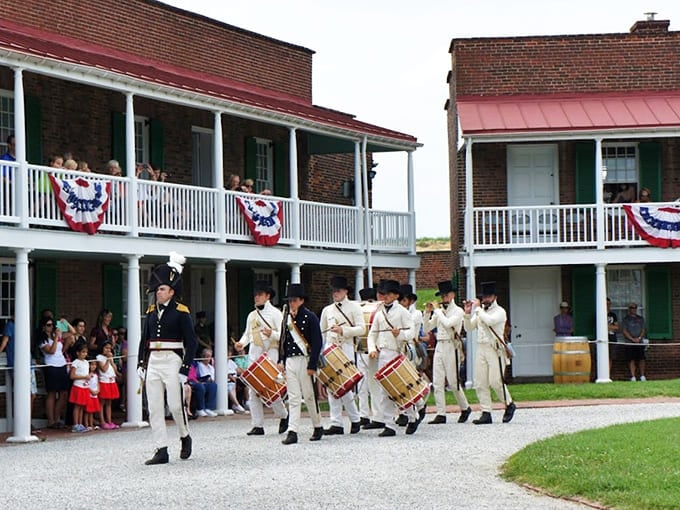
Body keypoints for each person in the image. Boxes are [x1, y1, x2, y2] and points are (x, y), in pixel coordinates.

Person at [137, 252, 198, 465]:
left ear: (171, 292)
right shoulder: (151, 312)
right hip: (154, 360)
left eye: (161, 289)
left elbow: (192, 343)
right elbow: (144, 340)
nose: (157, 293)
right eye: (157, 290)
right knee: (154, 406)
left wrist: (185, 369)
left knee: (174, 405)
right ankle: (161, 448)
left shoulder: (182, 312)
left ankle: (184, 435)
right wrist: (141, 364)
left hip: (173, 360)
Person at [367, 279, 420, 436]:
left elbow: (411, 332)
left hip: (397, 353)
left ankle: (412, 417)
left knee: (402, 388)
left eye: (389, 294)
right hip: (383, 353)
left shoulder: (402, 312)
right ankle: (389, 424)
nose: (386, 297)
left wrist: (401, 334)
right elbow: (372, 334)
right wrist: (372, 348)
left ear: (396, 296)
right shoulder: (379, 312)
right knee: (385, 390)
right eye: (384, 294)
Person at [236, 280, 288, 436]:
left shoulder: (276, 314)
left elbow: (284, 336)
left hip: (270, 355)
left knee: (270, 388)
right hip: (254, 354)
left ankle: (284, 415)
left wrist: (271, 334)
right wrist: (241, 343)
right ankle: (257, 425)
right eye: (255, 295)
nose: (256, 297)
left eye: (260, 295)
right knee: (253, 390)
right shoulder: (252, 315)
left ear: (267, 296)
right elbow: (247, 334)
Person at [464, 281, 516, 425]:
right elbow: (469, 327)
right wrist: (467, 314)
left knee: (495, 381)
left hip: (495, 349)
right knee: (480, 382)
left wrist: (478, 309)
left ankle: (509, 403)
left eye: (488, 297)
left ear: (494, 297)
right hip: (481, 348)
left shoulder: (499, 312)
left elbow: (490, 321)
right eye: (484, 297)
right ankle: (486, 412)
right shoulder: (481, 311)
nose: (486, 300)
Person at [278, 283, 323, 445]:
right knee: (294, 397)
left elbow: (317, 343)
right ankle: (293, 431)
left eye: (294, 300)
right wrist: (281, 360)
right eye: (290, 301)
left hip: (305, 360)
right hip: (290, 360)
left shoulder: (310, 317)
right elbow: (283, 340)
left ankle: (317, 425)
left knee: (310, 396)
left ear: (302, 300)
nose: (292, 303)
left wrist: (312, 365)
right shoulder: (287, 318)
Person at [319, 275, 364, 435]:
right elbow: (322, 333)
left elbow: (361, 329)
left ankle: (355, 418)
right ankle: (336, 422)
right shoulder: (327, 310)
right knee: (332, 386)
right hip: (331, 348)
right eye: (334, 291)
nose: (335, 293)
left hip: (346, 348)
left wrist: (343, 330)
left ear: (345, 291)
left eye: (338, 291)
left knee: (346, 386)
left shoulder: (354, 307)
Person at [424, 280, 472, 425]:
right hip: (440, 345)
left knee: (453, 382)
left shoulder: (458, 311)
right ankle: (441, 413)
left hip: (452, 346)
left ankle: (465, 407)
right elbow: (427, 328)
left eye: (446, 296)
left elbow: (448, 324)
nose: (443, 299)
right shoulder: (440, 312)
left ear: (451, 295)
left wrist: (438, 311)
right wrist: (427, 313)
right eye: (442, 296)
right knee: (437, 381)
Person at [356, 287, 382, 428]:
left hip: (374, 351)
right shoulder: (358, 309)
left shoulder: (380, 310)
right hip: (361, 349)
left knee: (374, 385)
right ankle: (363, 414)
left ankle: (379, 416)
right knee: (361, 385)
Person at [39, 316, 70, 429]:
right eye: (48, 325)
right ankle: (51, 421)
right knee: (52, 393)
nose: (51, 327)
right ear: (43, 327)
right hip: (51, 366)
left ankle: (57, 418)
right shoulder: (43, 340)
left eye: (52, 324)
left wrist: (65, 322)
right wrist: (56, 337)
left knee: (64, 393)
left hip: (61, 364)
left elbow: (73, 333)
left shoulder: (55, 335)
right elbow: (51, 351)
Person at [68, 341, 91, 433]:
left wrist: (87, 378)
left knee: (82, 406)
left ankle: (80, 423)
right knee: (77, 406)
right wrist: (84, 377)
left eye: (86, 352)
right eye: (82, 352)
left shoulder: (86, 362)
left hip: (84, 386)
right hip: (78, 386)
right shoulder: (75, 362)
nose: (84, 354)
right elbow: (72, 376)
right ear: (77, 353)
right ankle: (75, 424)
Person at [97, 341, 121, 429]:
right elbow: (103, 369)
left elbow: (114, 368)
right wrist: (107, 360)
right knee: (102, 402)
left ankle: (109, 421)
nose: (108, 350)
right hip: (104, 381)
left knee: (109, 403)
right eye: (106, 348)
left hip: (111, 381)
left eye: (109, 348)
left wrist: (111, 360)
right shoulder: (99, 357)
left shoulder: (110, 357)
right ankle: (102, 421)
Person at [621, 303, 647, 382]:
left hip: (640, 342)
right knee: (631, 359)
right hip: (630, 342)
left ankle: (642, 376)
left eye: (635, 308)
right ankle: (633, 376)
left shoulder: (641, 318)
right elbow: (624, 331)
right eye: (632, 308)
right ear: (629, 309)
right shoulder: (625, 319)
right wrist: (632, 339)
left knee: (641, 359)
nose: (633, 309)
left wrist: (639, 338)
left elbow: (643, 330)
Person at [193, 348, 219, 417]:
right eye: (206, 356)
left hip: (208, 383)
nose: (208, 358)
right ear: (203, 356)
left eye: (209, 356)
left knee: (213, 385)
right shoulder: (199, 365)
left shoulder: (211, 367)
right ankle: (200, 409)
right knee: (201, 387)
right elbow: (200, 376)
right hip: (201, 381)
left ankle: (209, 408)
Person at [85, 359, 103, 430]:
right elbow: (86, 384)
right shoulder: (87, 375)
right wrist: (91, 391)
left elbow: (97, 383)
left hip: (95, 394)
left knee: (92, 410)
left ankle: (91, 424)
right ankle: (87, 425)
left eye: (95, 365)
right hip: (89, 394)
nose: (93, 366)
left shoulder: (96, 375)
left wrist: (98, 390)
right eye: (92, 365)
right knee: (87, 411)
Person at [606, 298, 619, 373]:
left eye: (609, 304)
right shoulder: (599, 314)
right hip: (603, 339)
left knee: (611, 357)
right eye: (606, 304)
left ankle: (608, 373)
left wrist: (607, 326)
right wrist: (611, 327)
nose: (608, 306)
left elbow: (617, 327)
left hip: (612, 338)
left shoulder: (613, 315)